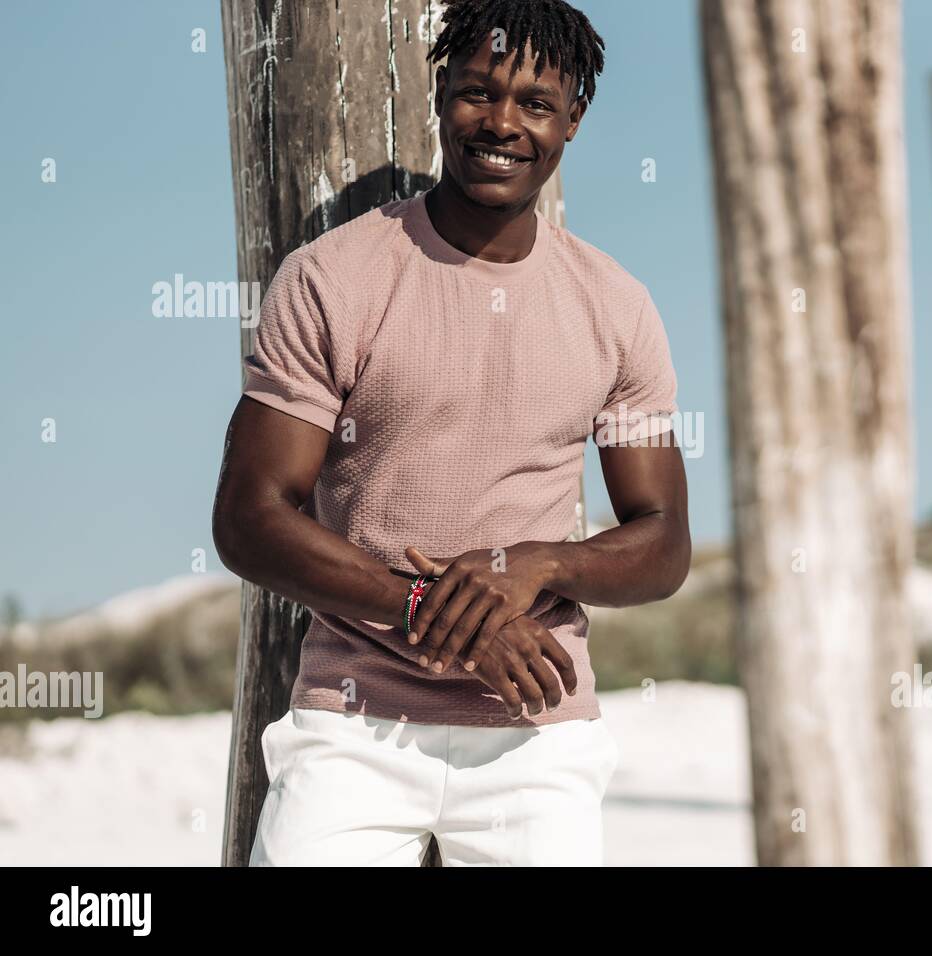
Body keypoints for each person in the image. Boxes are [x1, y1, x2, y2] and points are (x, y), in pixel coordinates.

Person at [211, 0, 690, 866]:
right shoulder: (332, 277)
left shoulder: (617, 306)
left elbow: (663, 542)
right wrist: (430, 608)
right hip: (353, 726)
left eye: (536, 104)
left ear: (573, 118)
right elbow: (249, 516)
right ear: (440, 92)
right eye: (479, 92)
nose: (502, 124)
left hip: (535, 731)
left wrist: (538, 563)